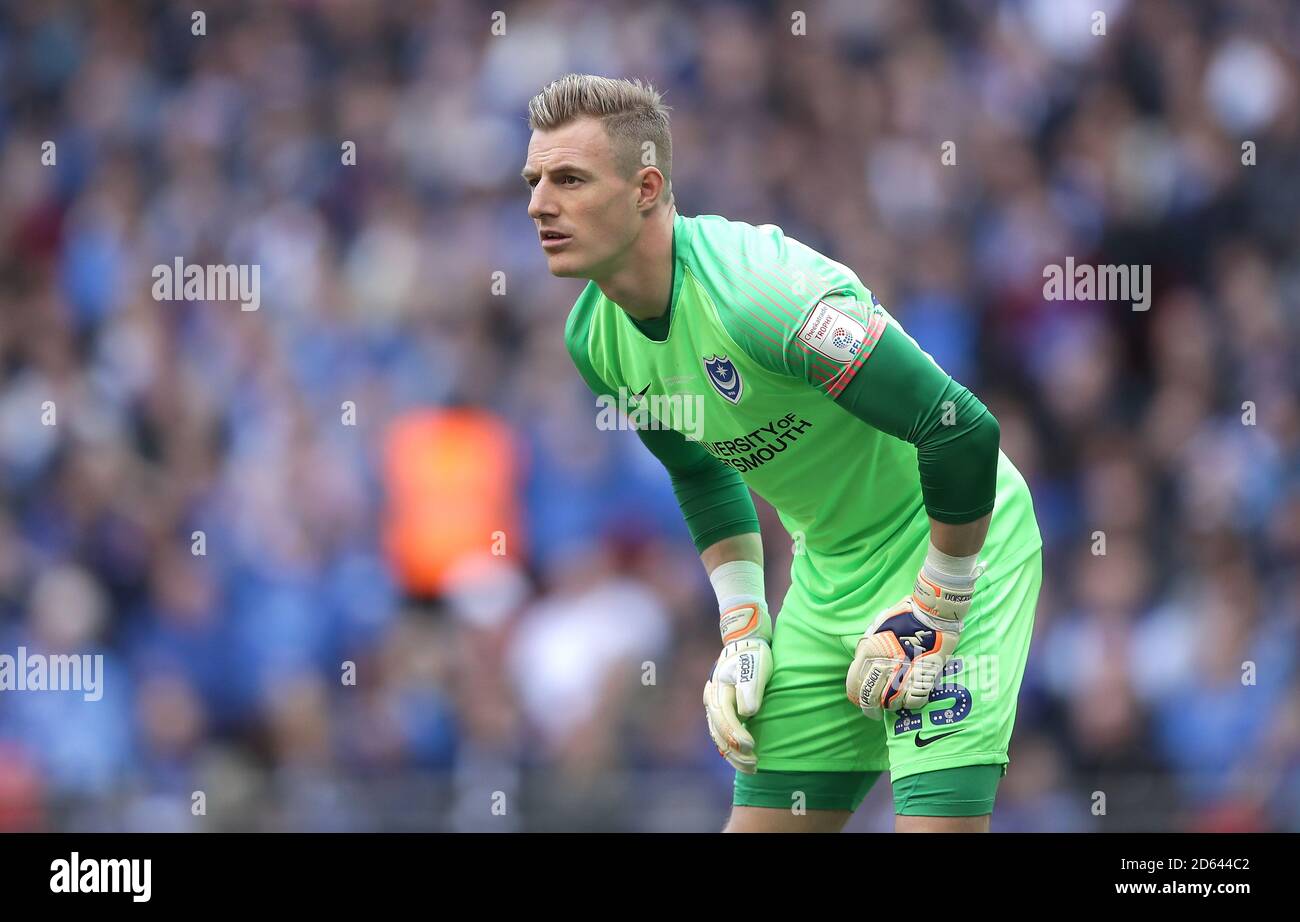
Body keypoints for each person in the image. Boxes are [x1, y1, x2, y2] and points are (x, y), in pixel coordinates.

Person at [523, 74, 1043, 833]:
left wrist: (937, 605)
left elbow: (961, 428)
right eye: (534, 180)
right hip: (829, 572)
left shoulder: (759, 297)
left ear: (646, 188)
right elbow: (701, 470)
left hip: (959, 545)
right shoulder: (593, 338)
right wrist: (742, 626)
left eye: (569, 179)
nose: (540, 204)